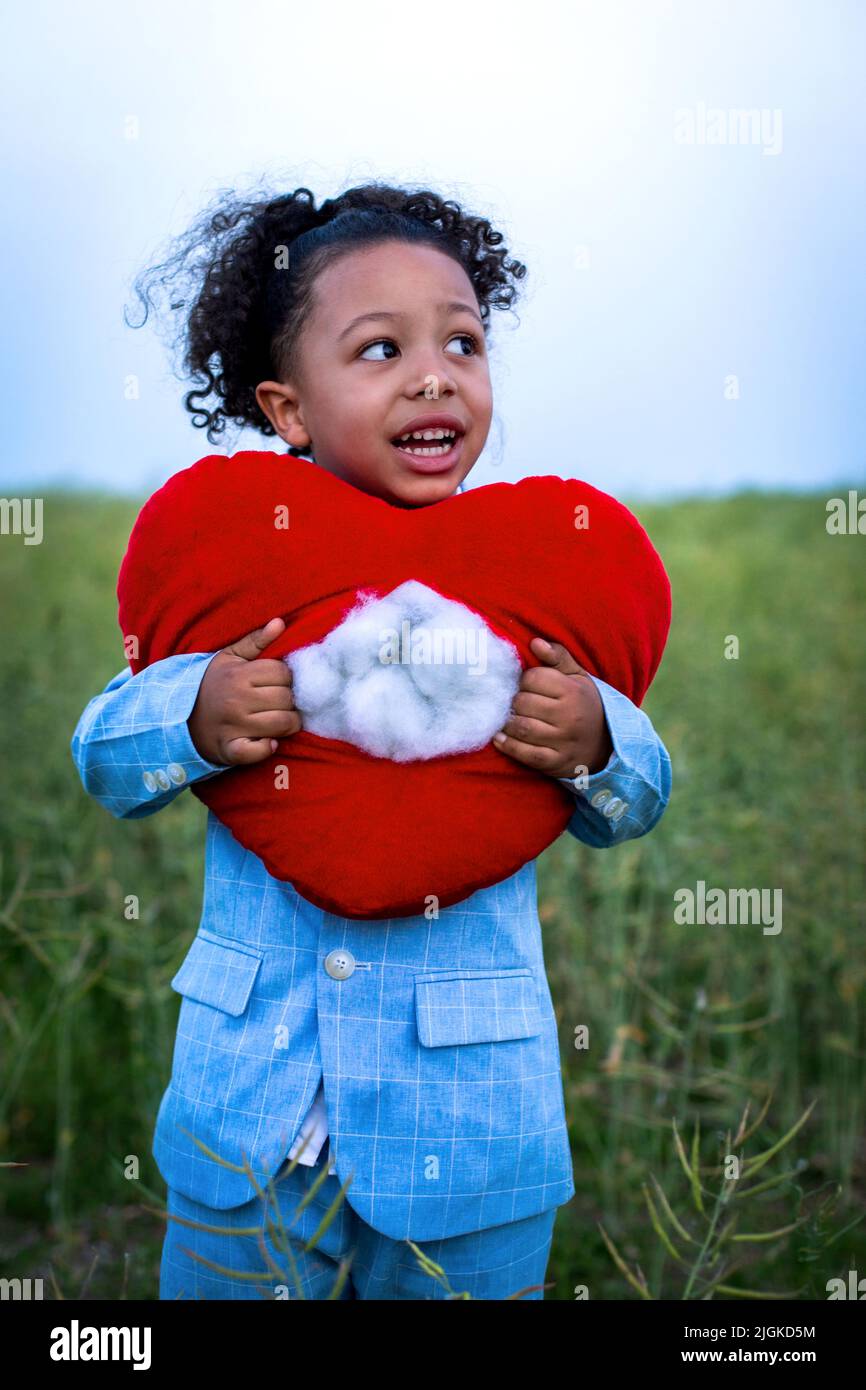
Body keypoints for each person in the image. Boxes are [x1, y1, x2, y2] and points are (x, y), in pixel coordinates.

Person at [70, 181, 672, 1300]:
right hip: (245, 1132)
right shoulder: (236, 570)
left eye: (461, 341)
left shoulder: (531, 588)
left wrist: (595, 734)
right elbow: (107, 754)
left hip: (470, 1130)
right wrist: (194, 709)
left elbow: (636, 799)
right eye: (380, 348)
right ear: (286, 408)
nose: (434, 372)